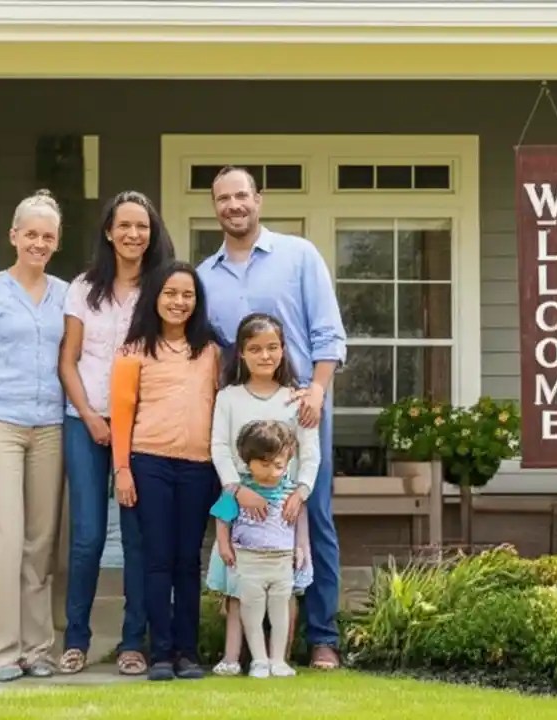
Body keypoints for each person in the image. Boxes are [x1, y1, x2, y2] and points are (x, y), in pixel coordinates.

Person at [196, 166, 348, 670]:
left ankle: (322, 637)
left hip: (297, 409)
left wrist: (319, 391)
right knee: (236, 518)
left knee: (311, 515)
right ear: (214, 206)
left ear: (258, 200)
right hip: (236, 415)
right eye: (223, 198)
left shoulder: (299, 256)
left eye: (242, 195)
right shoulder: (202, 276)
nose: (234, 205)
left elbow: (329, 334)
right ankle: (237, 644)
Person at [57, 191, 175, 676]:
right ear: (108, 231)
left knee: (136, 538)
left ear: (152, 233)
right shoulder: (84, 287)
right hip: (84, 421)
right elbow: (68, 360)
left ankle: (132, 642)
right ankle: (76, 639)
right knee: (85, 537)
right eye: (124, 225)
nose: (133, 234)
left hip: (143, 425)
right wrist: (88, 414)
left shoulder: (162, 287)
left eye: (141, 226)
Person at [0, 189, 69, 682]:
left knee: (40, 543)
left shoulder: (67, 294)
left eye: (48, 236)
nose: (38, 243)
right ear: (13, 236)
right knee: (0, 540)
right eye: (31, 234)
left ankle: (37, 649)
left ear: (56, 241)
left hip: (51, 426)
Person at [108, 261, 222, 682]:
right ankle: (159, 654)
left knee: (187, 561)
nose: (179, 302)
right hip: (148, 463)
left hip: (197, 468)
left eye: (187, 295)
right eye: (171, 293)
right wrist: (122, 469)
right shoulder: (134, 349)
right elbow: (121, 414)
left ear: (197, 301)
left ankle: (187, 653)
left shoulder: (211, 351)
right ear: (155, 297)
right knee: (156, 561)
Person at [205, 312, 318, 676]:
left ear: (283, 350)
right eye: (255, 349)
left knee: (285, 587)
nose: (265, 356)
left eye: (272, 348)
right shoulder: (229, 397)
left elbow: (309, 452)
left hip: (286, 505)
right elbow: (219, 447)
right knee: (239, 587)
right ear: (241, 353)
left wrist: (300, 493)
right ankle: (234, 657)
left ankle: (278, 658)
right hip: (241, 501)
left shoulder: (295, 399)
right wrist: (236, 491)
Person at [211, 419, 312, 679]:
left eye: (279, 465)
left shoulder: (291, 490)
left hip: (282, 562)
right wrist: (224, 545)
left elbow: (301, 519)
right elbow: (222, 518)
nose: (272, 472)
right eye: (264, 464)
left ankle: (278, 659)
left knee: (280, 613)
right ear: (248, 460)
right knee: (251, 613)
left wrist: (301, 548)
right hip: (248, 561)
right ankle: (259, 660)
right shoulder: (239, 490)